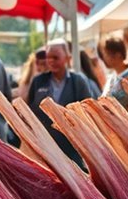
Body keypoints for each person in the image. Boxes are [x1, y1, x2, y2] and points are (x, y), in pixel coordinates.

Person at [27, 38, 95, 167]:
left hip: (72, 149)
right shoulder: (38, 81)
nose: (51, 61)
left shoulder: (78, 82)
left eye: (55, 57)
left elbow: (86, 112)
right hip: (45, 146)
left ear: (68, 58)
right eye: (48, 57)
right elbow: (30, 109)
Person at [100, 35, 128, 124]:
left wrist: (119, 120)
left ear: (118, 55)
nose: (104, 57)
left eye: (106, 54)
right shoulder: (112, 77)